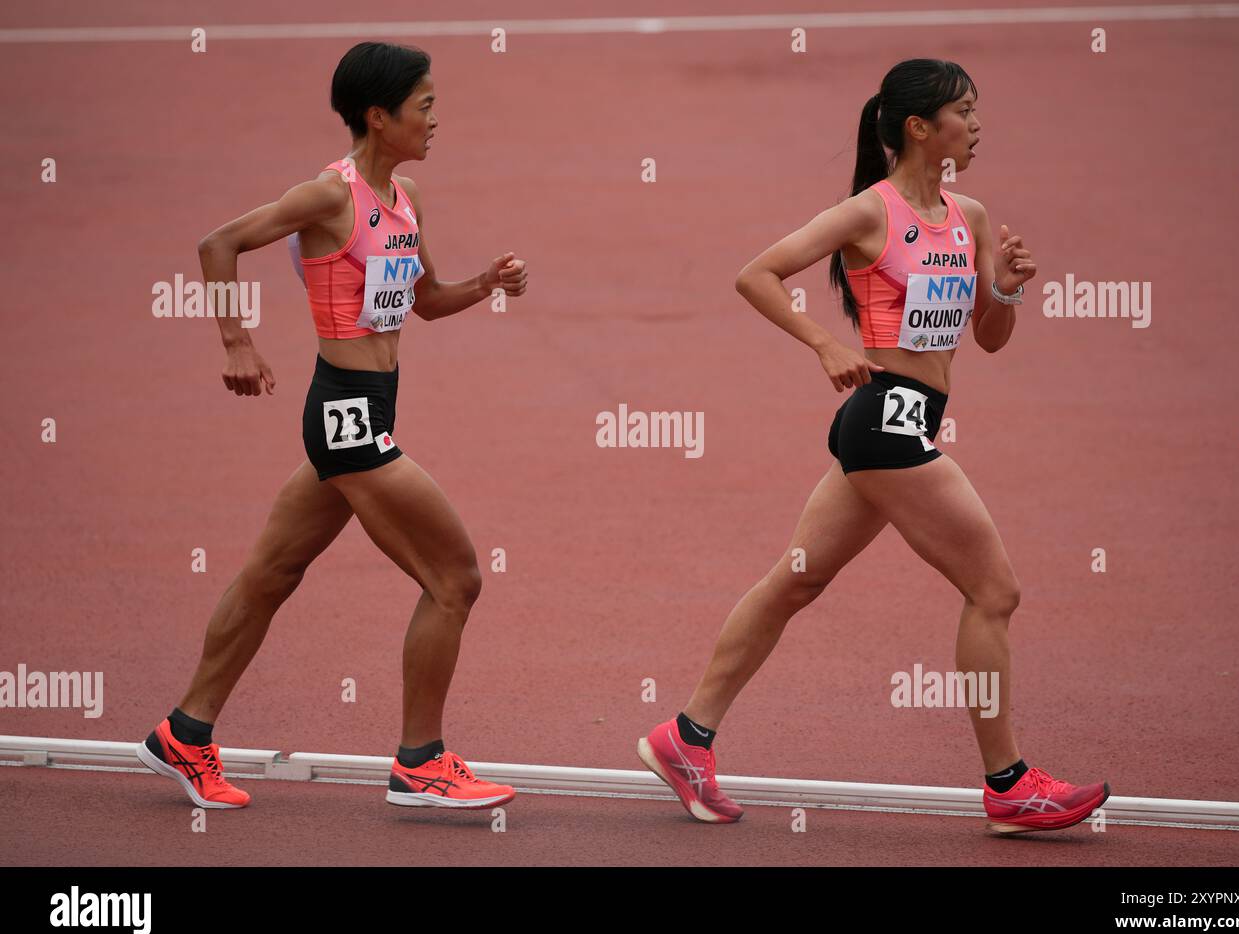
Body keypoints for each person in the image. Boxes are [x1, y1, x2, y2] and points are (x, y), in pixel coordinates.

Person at [637, 58, 1109, 833]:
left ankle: (684, 738)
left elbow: (987, 341)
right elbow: (756, 274)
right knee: (994, 592)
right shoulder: (868, 213)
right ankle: (1009, 786)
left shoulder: (972, 216)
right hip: (884, 419)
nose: (979, 124)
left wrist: (1010, 288)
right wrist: (824, 343)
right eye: (965, 111)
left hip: (906, 419)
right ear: (920, 128)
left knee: (796, 580)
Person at [137, 41, 526, 812]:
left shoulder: (405, 195)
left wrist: (486, 284)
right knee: (454, 579)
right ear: (378, 117)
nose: (436, 119)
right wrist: (237, 341)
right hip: (345, 413)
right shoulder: (328, 196)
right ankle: (420, 763)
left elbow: (424, 299)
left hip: (364, 408)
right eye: (424, 106)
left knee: (272, 574)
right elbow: (218, 245)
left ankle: (184, 733)